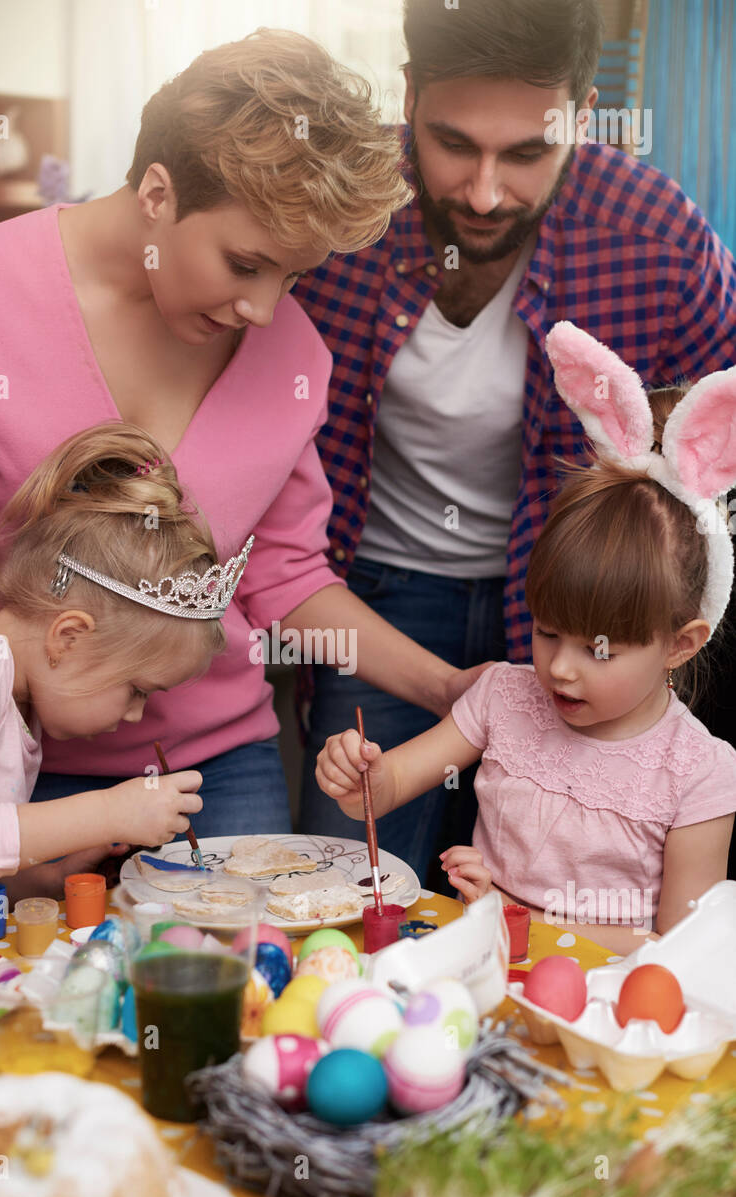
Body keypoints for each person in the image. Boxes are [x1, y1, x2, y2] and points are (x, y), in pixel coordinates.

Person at [0, 29, 485, 840]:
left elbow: (284, 573)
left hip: (215, 773)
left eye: (293, 276)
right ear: (157, 193)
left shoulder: (295, 356)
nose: (265, 311)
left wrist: (447, 689)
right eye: (244, 263)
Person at [293, 0, 736, 887]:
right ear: (408, 96)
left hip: (582, 603)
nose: (485, 192)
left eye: (527, 153)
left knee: (562, 877)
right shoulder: (333, 218)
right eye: (452, 143)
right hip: (374, 600)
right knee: (348, 883)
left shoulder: (656, 238)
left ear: (580, 114)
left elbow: (714, 455)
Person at [314, 323, 736, 953]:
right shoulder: (502, 698)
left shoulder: (700, 773)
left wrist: (518, 920)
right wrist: (359, 778)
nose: (559, 669)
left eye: (599, 649)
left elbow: (679, 949)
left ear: (680, 643)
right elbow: (388, 788)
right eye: (546, 632)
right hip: (480, 979)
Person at [0, 422, 247, 936]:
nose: (136, 714)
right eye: (137, 689)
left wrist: (49, 878)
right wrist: (111, 811)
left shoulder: (17, 700)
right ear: (67, 637)